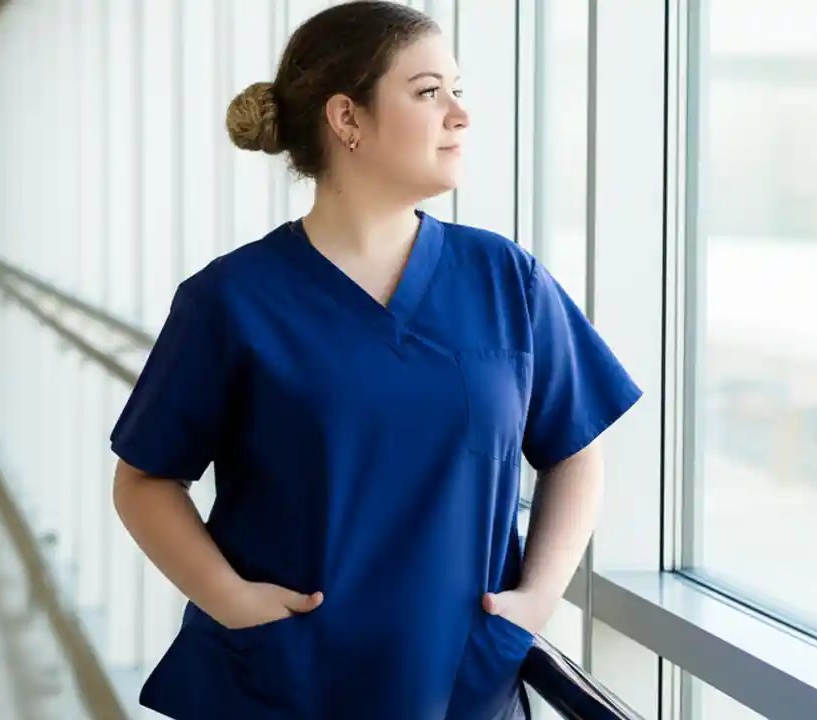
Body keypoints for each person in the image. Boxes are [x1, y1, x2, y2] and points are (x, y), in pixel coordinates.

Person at [109, 2, 642, 718]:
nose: (460, 113)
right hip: (286, 682)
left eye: (459, 89)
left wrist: (532, 605)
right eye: (429, 92)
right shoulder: (231, 300)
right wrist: (232, 601)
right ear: (346, 119)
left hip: (462, 680)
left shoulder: (504, 278)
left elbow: (576, 450)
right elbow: (145, 477)